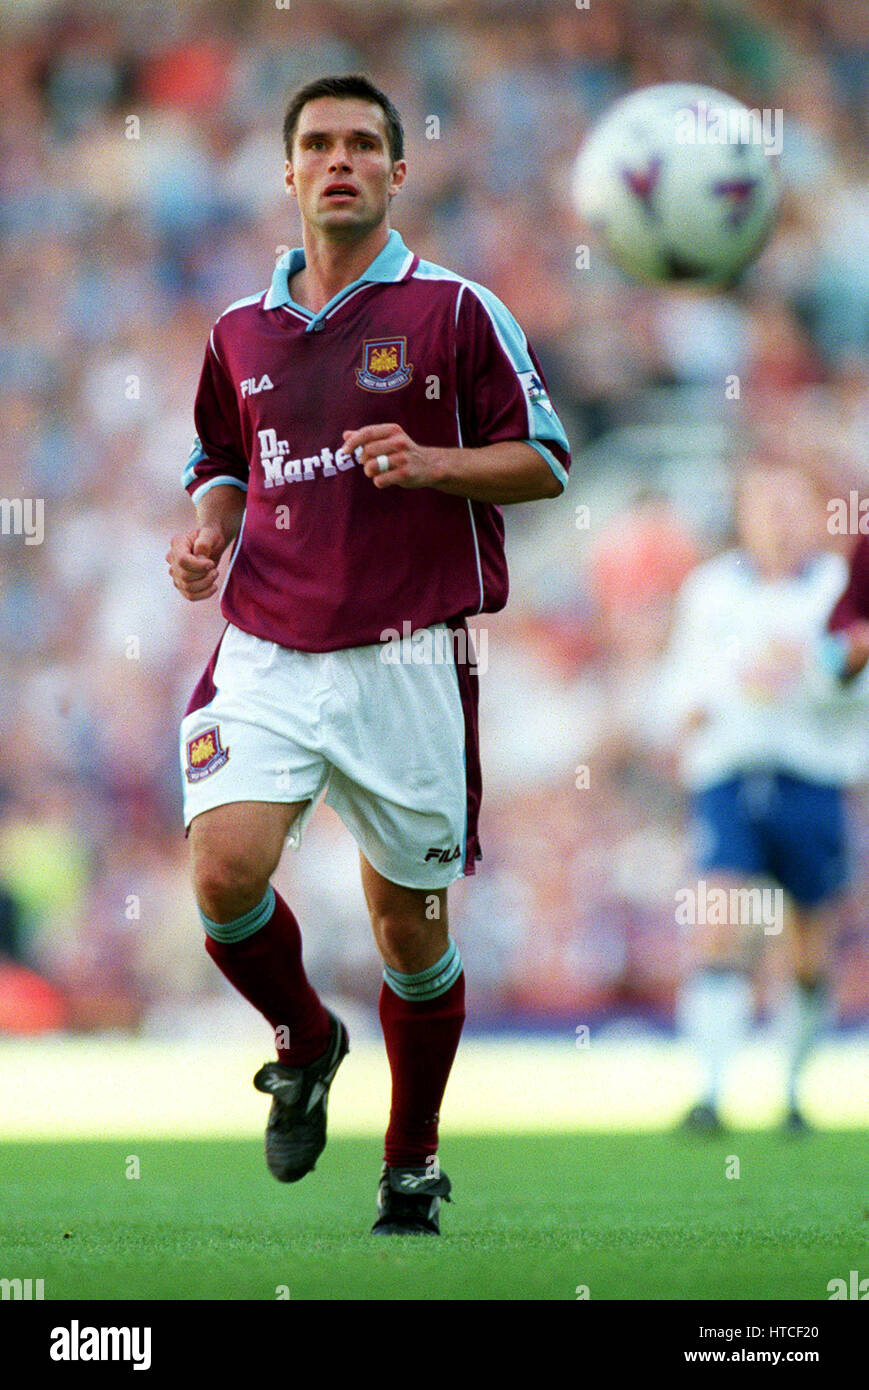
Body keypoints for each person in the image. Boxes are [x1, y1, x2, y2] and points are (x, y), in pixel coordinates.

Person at [165, 74, 571, 1234]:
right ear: (286, 173)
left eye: (360, 144)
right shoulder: (235, 331)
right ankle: (302, 1035)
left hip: (405, 659)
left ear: (397, 171)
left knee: (408, 930)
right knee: (224, 873)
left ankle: (411, 1156)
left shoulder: (454, 311)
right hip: (268, 647)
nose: (337, 160)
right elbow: (218, 460)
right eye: (315, 144)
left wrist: (435, 462)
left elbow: (543, 459)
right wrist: (207, 535)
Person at [661, 462, 869, 1133]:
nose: (778, 521)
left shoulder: (840, 590)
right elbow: (680, 681)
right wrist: (694, 708)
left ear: (813, 515)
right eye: (765, 506)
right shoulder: (711, 589)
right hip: (730, 774)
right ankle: (709, 1091)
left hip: (813, 776)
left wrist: (812, 675)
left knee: (808, 944)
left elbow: (854, 682)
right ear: (744, 515)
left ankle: (791, 1091)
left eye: (790, 506)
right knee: (718, 917)